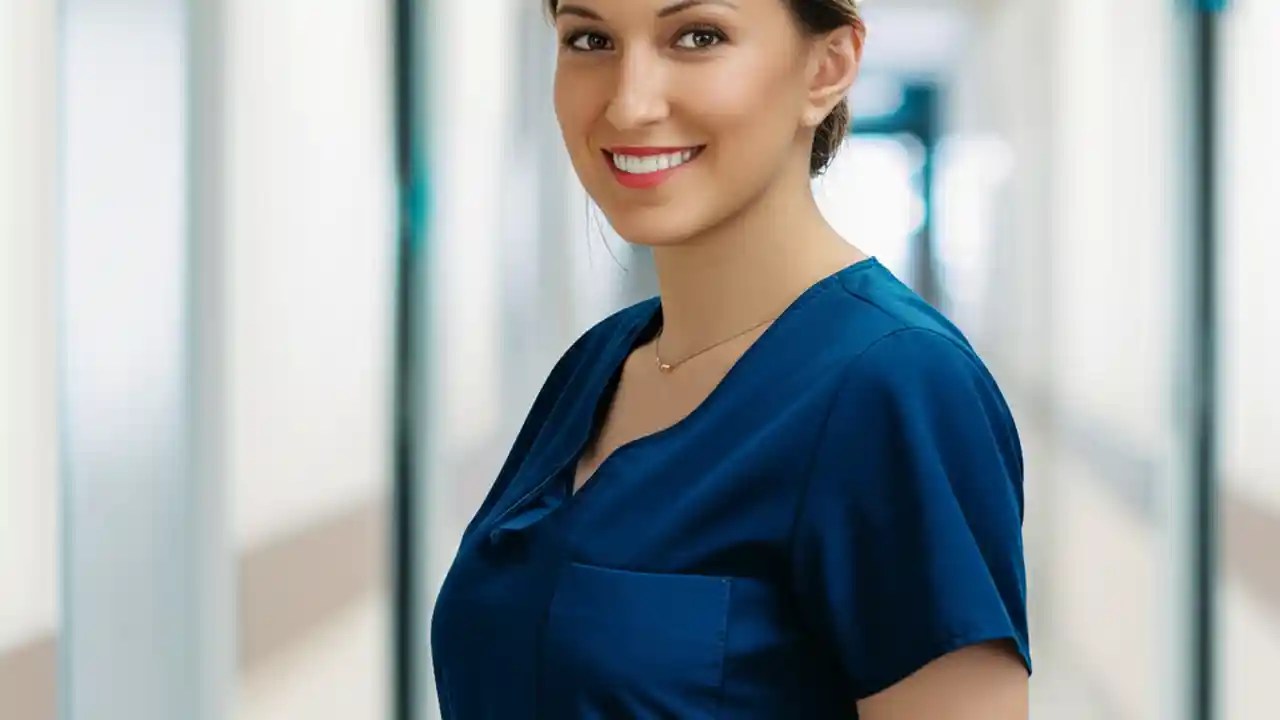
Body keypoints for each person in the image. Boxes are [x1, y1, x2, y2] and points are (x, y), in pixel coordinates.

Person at [430, 0, 1032, 717]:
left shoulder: (896, 386)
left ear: (827, 66)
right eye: (590, 39)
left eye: (697, 37)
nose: (630, 102)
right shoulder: (597, 364)